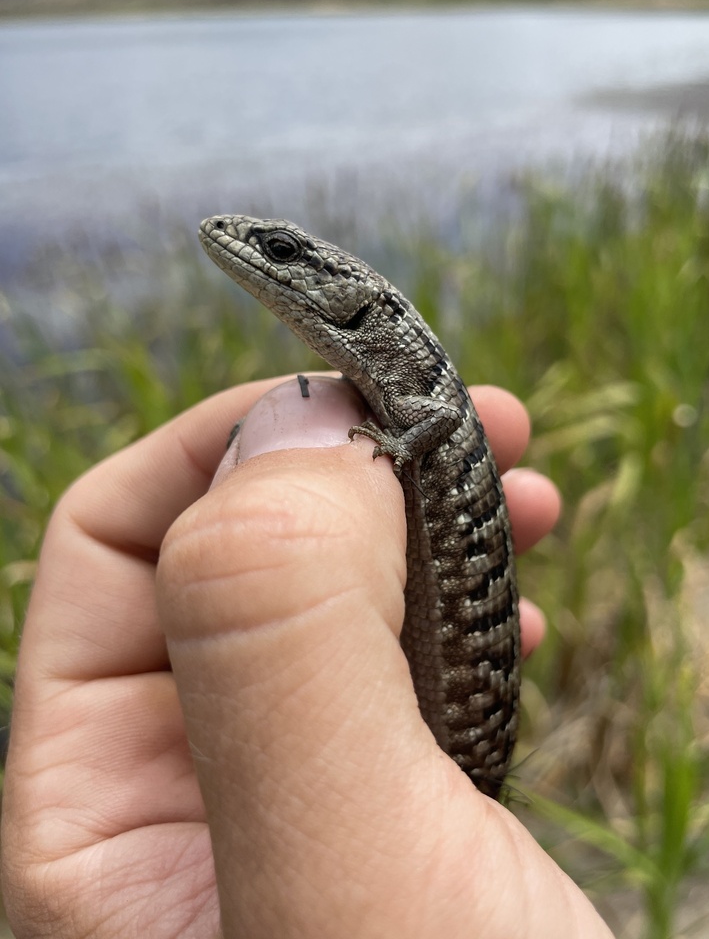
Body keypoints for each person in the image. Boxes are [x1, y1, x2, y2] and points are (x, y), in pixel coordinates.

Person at [1, 375, 614, 938]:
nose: (245, 248)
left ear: (353, 306)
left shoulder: (413, 400)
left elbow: (435, 422)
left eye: (282, 247)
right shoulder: (410, 399)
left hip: (468, 741)